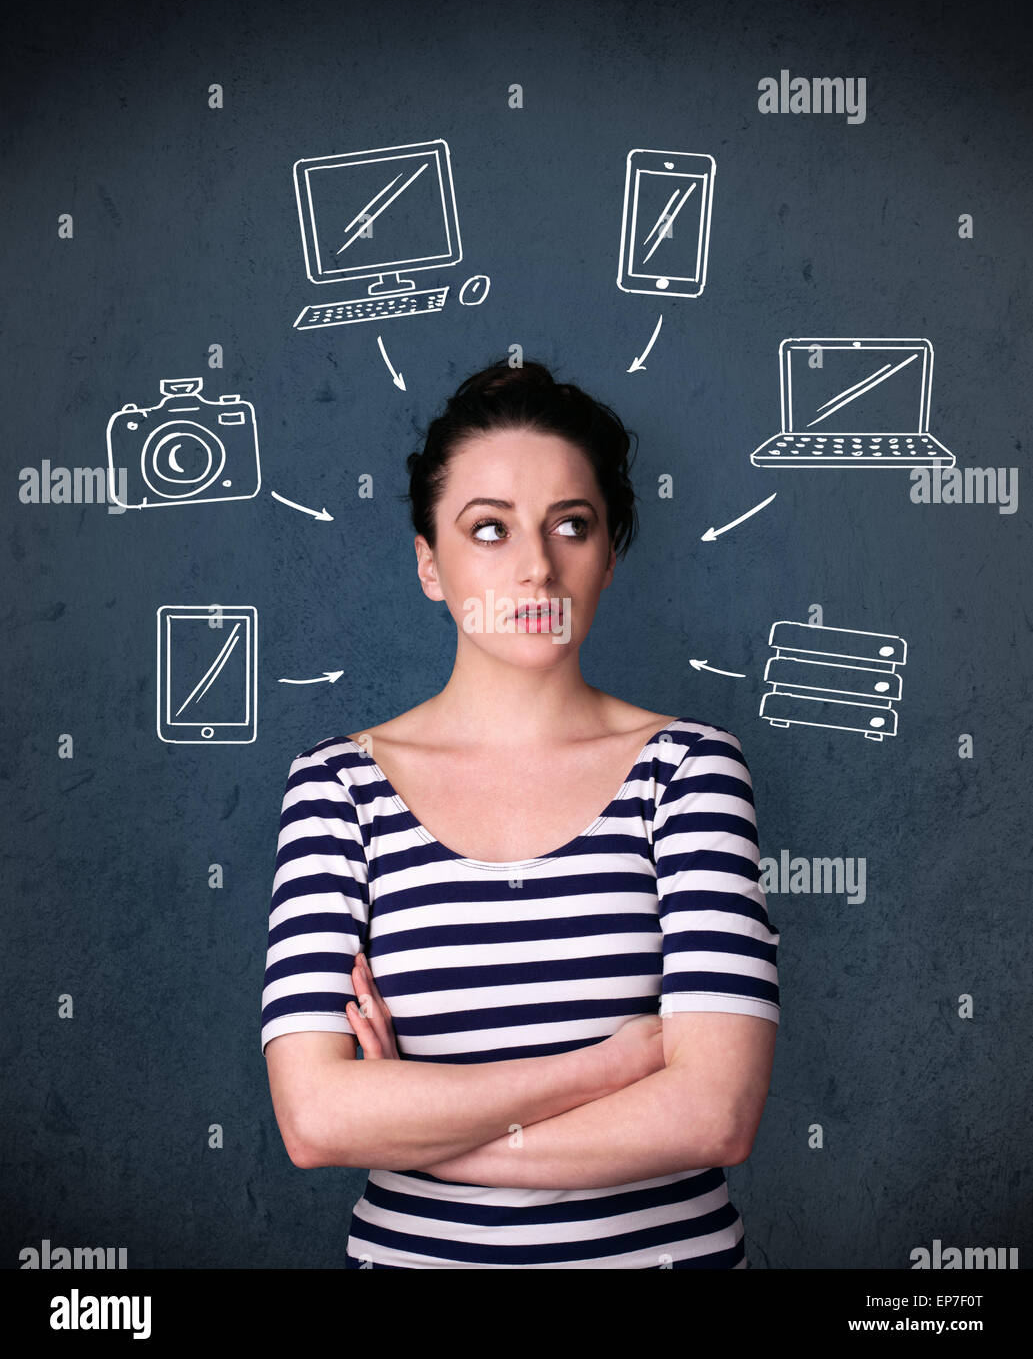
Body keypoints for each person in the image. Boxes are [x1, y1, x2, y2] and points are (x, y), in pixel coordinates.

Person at [260, 358, 781, 1268]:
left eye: (569, 526)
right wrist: (608, 1068)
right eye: (489, 529)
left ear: (608, 554)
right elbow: (315, 1119)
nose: (536, 568)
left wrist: (420, 1123)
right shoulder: (336, 787)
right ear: (429, 563)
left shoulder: (690, 770)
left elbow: (714, 1114)